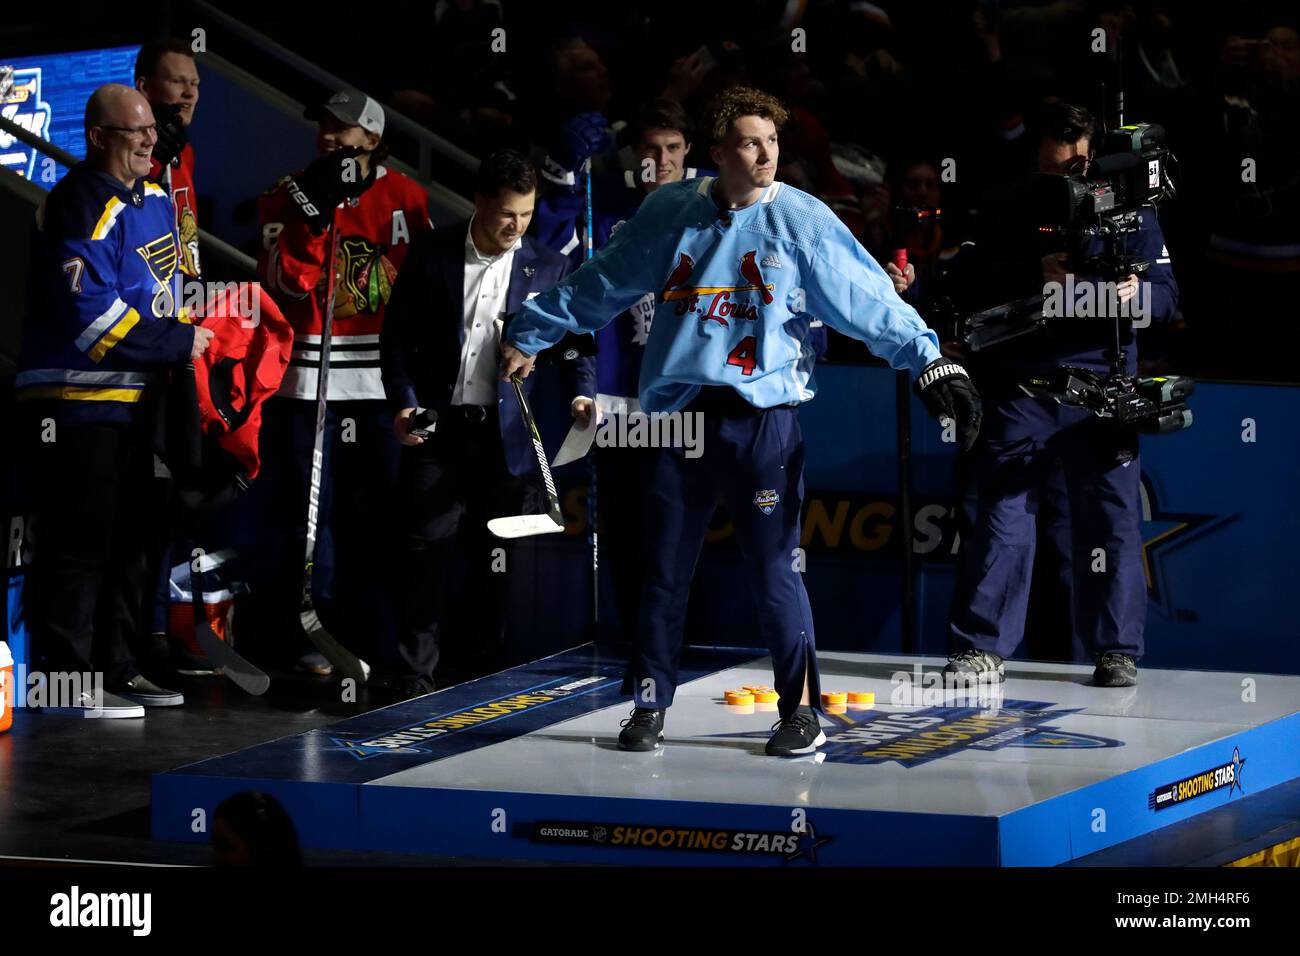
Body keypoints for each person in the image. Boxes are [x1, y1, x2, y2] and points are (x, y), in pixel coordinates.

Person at [502, 87, 980, 757]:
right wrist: (531, 330)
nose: (766, 155)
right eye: (752, 143)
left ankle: (802, 712)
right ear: (718, 152)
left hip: (763, 423)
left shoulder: (804, 221)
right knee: (663, 573)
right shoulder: (670, 211)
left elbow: (868, 298)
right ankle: (648, 707)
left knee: (777, 570)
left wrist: (928, 362)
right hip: (676, 421)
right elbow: (602, 283)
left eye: (774, 143)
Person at [943, 101, 1178, 688]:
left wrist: (1133, 298)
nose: (1066, 180)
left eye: (1075, 168)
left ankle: (1116, 649)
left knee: (1111, 519)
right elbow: (963, 285)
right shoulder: (1003, 206)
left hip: (1102, 382)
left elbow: (1168, 300)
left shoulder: (1133, 210)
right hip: (1021, 382)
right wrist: (1033, 274)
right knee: (1002, 514)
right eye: (1053, 169)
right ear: (1035, 161)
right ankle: (982, 649)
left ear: (1094, 156)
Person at [16, 84, 213, 716]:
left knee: (134, 544)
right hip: (76, 403)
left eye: (153, 129)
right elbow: (93, 317)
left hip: (139, 404)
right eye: (136, 133)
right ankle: (63, 684)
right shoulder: (77, 200)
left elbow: (169, 291)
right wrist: (180, 340)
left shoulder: (154, 198)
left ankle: (116, 670)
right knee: (81, 545)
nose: (151, 140)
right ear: (98, 138)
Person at [381, 150, 594, 696]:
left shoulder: (549, 266)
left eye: (525, 215)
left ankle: (477, 674)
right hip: (438, 430)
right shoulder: (431, 254)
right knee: (425, 551)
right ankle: (413, 677)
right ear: (479, 203)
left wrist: (580, 398)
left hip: (508, 442)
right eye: (506, 214)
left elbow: (575, 346)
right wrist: (403, 403)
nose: (516, 227)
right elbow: (397, 338)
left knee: (493, 561)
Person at [257, 88, 431, 675]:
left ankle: (375, 634)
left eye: (343, 129)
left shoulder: (406, 197)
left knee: (379, 516)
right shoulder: (290, 193)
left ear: (374, 139)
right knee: (309, 517)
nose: (329, 137)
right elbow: (283, 286)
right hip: (309, 383)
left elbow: (417, 292)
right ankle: (311, 631)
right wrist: (312, 217)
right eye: (323, 126)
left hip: (379, 385)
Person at [135, 37, 202, 278]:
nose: (190, 94)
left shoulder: (184, 150)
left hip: (182, 297)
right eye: (178, 82)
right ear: (144, 87)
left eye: (194, 84)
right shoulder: (118, 146)